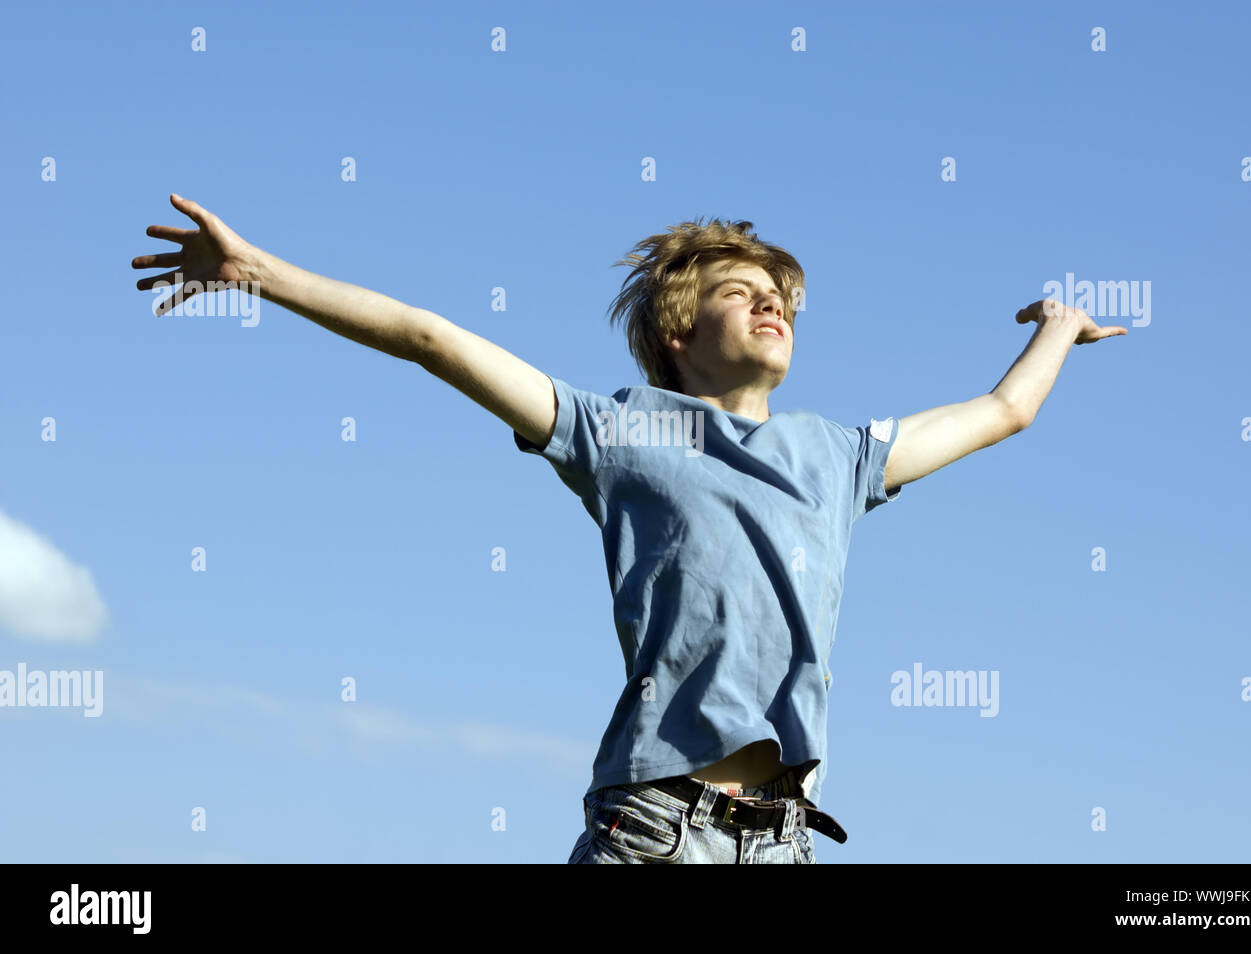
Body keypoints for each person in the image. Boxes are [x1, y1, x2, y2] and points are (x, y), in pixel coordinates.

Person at [132, 195, 1126, 863]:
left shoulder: (841, 456)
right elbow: (429, 339)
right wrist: (260, 272)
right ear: (679, 335)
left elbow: (1004, 413)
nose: (771, 302)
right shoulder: (624, 431)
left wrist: (1057, 326)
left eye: (780, 294)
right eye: (742, 292)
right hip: (658, 831)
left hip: (783, 841)